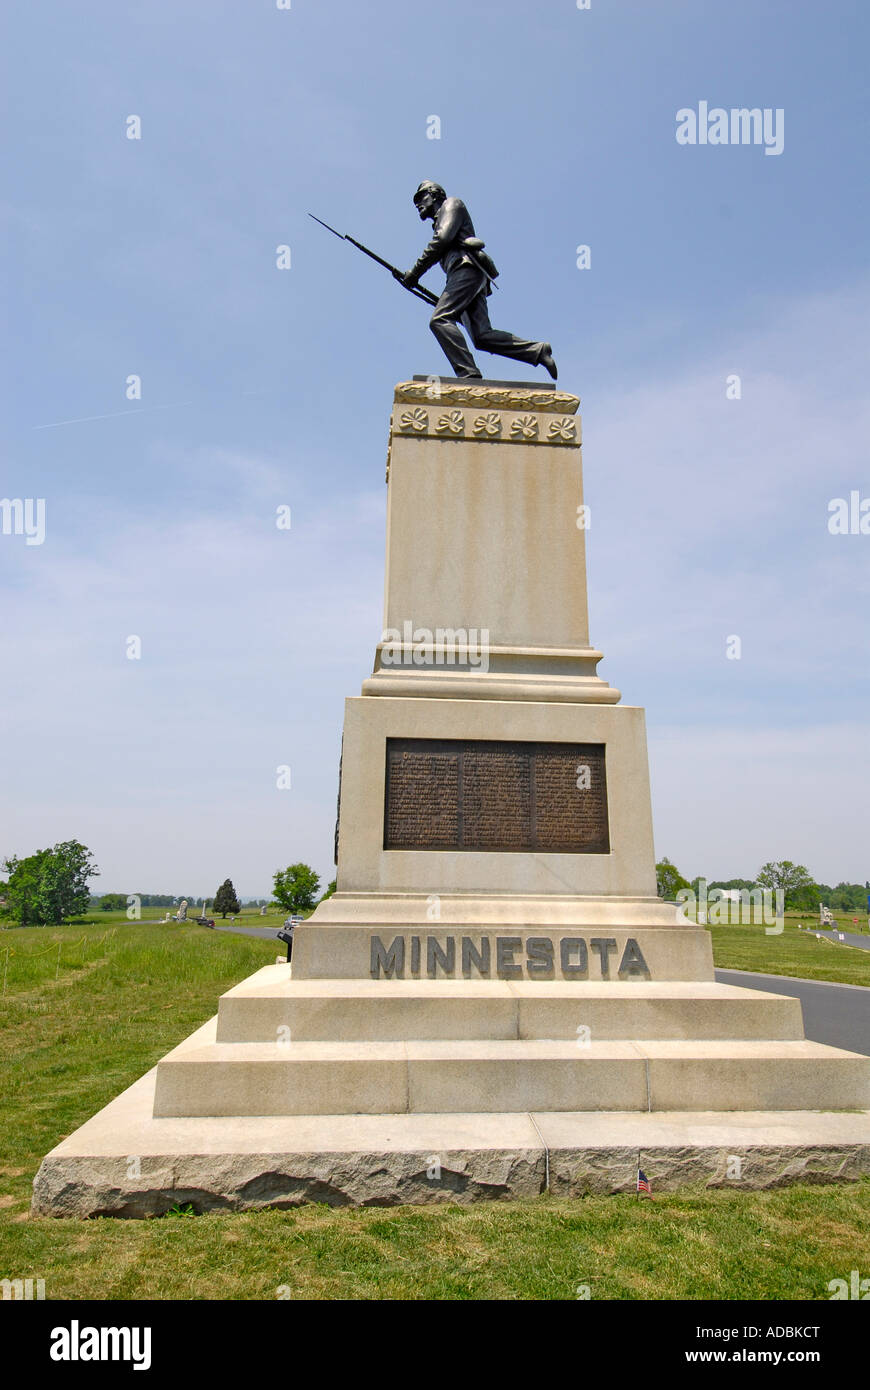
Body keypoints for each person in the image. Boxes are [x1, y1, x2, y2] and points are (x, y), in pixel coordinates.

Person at [395, 181, 558, 381]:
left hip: (467, 269)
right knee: (481, 336)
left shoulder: (451, 205)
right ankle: (538, 351)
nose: (418, 204)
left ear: (434, 194)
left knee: (439, 320)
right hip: (466, 273)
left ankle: (468, 374)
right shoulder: (439, 218)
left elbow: (442, 239)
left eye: (421, 198)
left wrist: (415, 273)